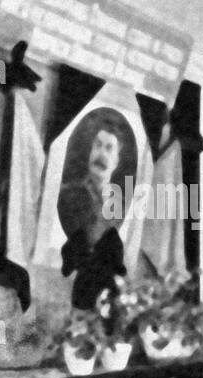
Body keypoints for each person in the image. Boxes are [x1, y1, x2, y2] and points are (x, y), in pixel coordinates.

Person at [57, 116, 127, 309]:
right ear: (89, 151)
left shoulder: (120, 205)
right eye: (97, 145)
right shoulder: (67, 194)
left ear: (116, 160)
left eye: (109, 148)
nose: (101, 153)